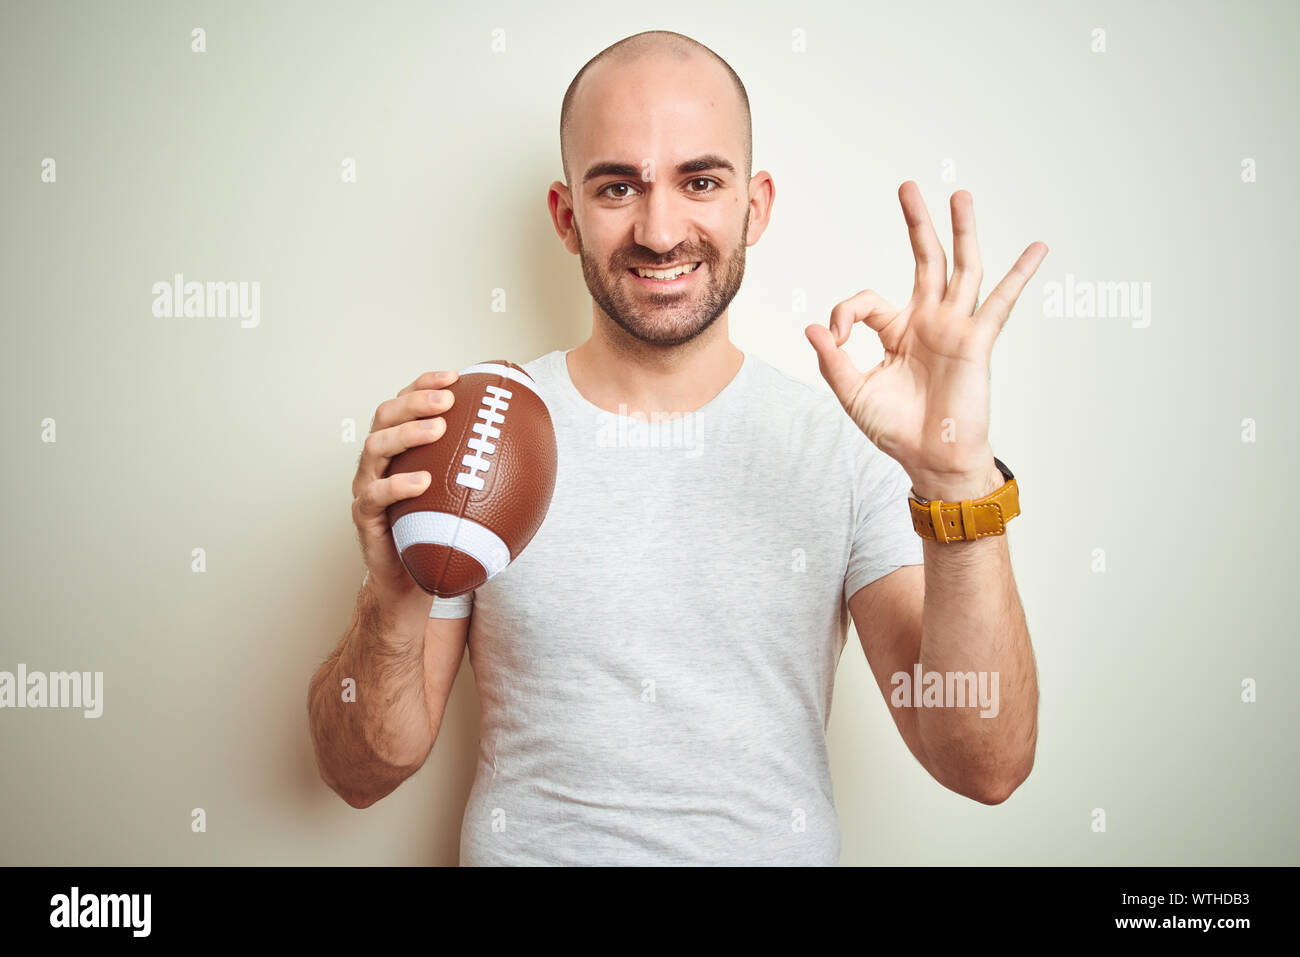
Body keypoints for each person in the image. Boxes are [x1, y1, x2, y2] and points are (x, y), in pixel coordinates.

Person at [309, 29, 1044, 865]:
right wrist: (391, 593)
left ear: (755, 205)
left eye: (700, 180)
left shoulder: (845, 445)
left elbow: (984, 763)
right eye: (618, 186)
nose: (661, 231)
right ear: (566, 215)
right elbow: (359, 770)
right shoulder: (479, 435)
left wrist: (956, 480)